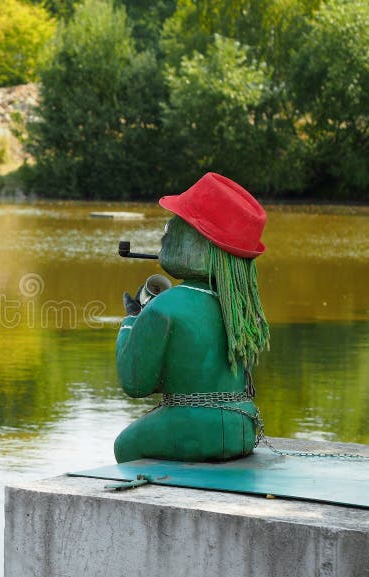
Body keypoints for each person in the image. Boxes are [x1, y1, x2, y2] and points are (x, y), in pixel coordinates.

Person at [114, 172, 270, 463]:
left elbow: (135, 383)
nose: (167, 231)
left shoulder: (165, 308)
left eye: (177, 225)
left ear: (203, 244)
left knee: (125, 445)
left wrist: (132, 321)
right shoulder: (241, 307)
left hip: (194, 426)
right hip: (243, 427)